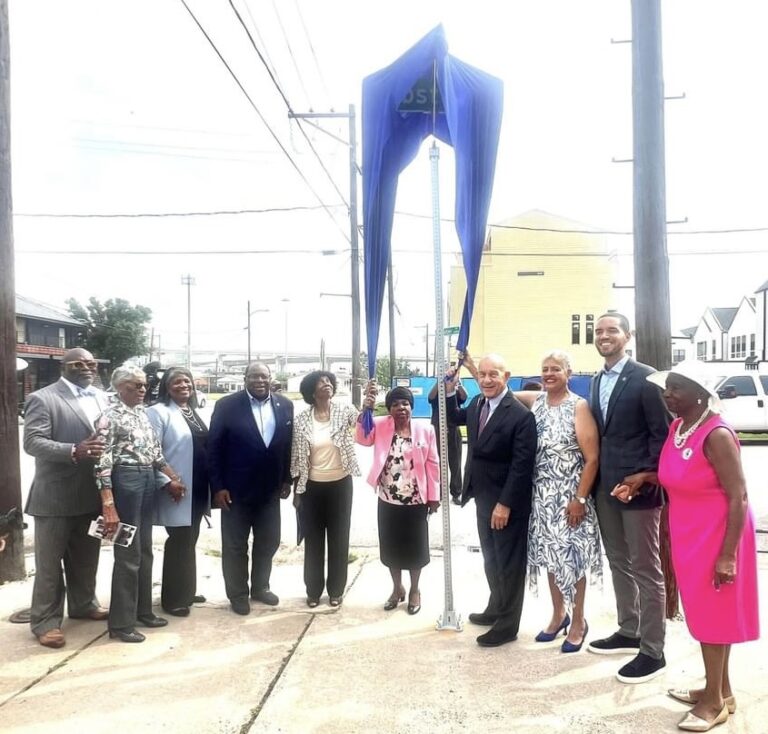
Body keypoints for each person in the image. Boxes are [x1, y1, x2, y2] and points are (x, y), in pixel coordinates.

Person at [618, 362, 759, 732]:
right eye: (666, 387)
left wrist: (728, 554)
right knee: (706, 614)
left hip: (717, 534)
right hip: (689, 532)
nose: (667, 394)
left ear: (700, 391)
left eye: (676, 388)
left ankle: (713, 703)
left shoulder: (717, 434)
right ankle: (720, 690)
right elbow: (679, 472)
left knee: (714, 616)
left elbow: (738, 496)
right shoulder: (681, 427)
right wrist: (645, 478)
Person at [585, 312, 670, 683]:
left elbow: (661, 436)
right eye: (599, 331)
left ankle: (653, 650)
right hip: (605, 487)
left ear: (627, 336)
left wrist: (645, 478)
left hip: (638, 490)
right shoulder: (594, 381)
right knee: (618, 560)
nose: (604, 336)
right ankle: (629, 629)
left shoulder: (646, 378)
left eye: (612, 330)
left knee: (646, 567)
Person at [446, 354, 537, 646]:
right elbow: (449, 416)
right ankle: (496, 607)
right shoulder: (477, 404)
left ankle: (507, 626)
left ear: (506, 376)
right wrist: (449, 388)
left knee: (509, 564)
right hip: (481, 496)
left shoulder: (520, 415)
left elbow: (522, 466)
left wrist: (505, 504)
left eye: (493, 375)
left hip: (506, 504)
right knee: (491, 559)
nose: (486, 380)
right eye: (482, 374)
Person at [513, 350, 601, 653]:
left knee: (572, 561)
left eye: (556, 369)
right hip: (542, 496)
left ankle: (578, 622)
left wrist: (579, 499)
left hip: (570, 498)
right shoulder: (536, 403)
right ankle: (558, 614)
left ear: (569, 373)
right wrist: (475, 370)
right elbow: (507, 391)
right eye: (545, 369)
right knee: (551, 558)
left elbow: (592, 459)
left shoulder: (578, 407)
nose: (549, 374)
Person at [23, 348, 111, 648]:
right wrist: (74, 450)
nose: (87, 367)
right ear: (64, 367)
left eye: (91, 363)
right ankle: (45, 622)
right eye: (79, 363)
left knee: (87, 558)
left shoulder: (102, 397)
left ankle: (84, 604)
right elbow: (33, 442)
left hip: (91, 494)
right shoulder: (43, 398)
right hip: (55, 497)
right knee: (50, 565)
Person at [94, 365, 186, 643]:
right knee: (128, 553)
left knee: (144, 549)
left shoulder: (142, 414)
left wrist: (173, 477)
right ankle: (121, 623)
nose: (143, 390)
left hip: (147, 479)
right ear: (121, 387)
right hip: (125, 482)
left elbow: (155, 453)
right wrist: (108, 503)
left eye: (144, 385)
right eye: (136, 385)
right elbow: (102, 462)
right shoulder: (109, 417)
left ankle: (142, 610)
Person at [207, 362, 293, 615]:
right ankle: (238, 594)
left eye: (264, 376)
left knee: (268, 541)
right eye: (254, 376)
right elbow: (214, 449)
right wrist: (218, 486)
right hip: (235, 491)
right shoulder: (227, 406)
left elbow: (288, 446)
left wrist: (287, 479)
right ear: (245, 378)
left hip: (270, 491)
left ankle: (260, 587)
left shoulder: (284, 404)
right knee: (235, 546)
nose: (259, 380)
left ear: (271, 379)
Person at [355, 385, 440, 615]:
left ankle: (414, 590)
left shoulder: (425, 430)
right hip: (388, 499)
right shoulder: (382, 425)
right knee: (391, 548)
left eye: (404, 403)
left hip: (416, 500)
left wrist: (434, 496)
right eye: (395, 404)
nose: (400, 408)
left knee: (415, 549)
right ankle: (397, 588)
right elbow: (362, 438)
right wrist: (367, 409)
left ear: (411, 406)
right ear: (389, 409)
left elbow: (433, 464)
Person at [291, 371, 360, 607]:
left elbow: (363, 422)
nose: (327, 384)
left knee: (339, 538)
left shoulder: (345, 411)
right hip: (311, 488)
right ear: (312, 391)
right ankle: (313, 591)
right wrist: (296, 491)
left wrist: (369, 404)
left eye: (329, 381)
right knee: (314, 540)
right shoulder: (301, 419)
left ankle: (336, 591)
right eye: (321, 382)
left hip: (341, 485)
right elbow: (296, 457)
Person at [146, 366, 210, 617]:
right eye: (177, 382)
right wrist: (166, 480)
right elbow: (152, 452)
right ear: (166, 387)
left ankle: (186, 589)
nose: (184, 385)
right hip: (176, 487)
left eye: (187, 381)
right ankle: (173, 599)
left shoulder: (192, 411)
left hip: (198, 486)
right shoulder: (158, 412)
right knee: (179, 541)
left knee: (189, 539)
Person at [428, 366, 466, 504]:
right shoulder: (437, 393)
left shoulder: (454, 393)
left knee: (455, 463)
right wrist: (441, 381)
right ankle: (439, 492)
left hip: (453, 430)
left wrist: (457, 383)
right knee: (436, 463)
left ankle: (456, 493)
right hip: (437, 430)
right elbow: (430, 396)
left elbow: (464, 396)